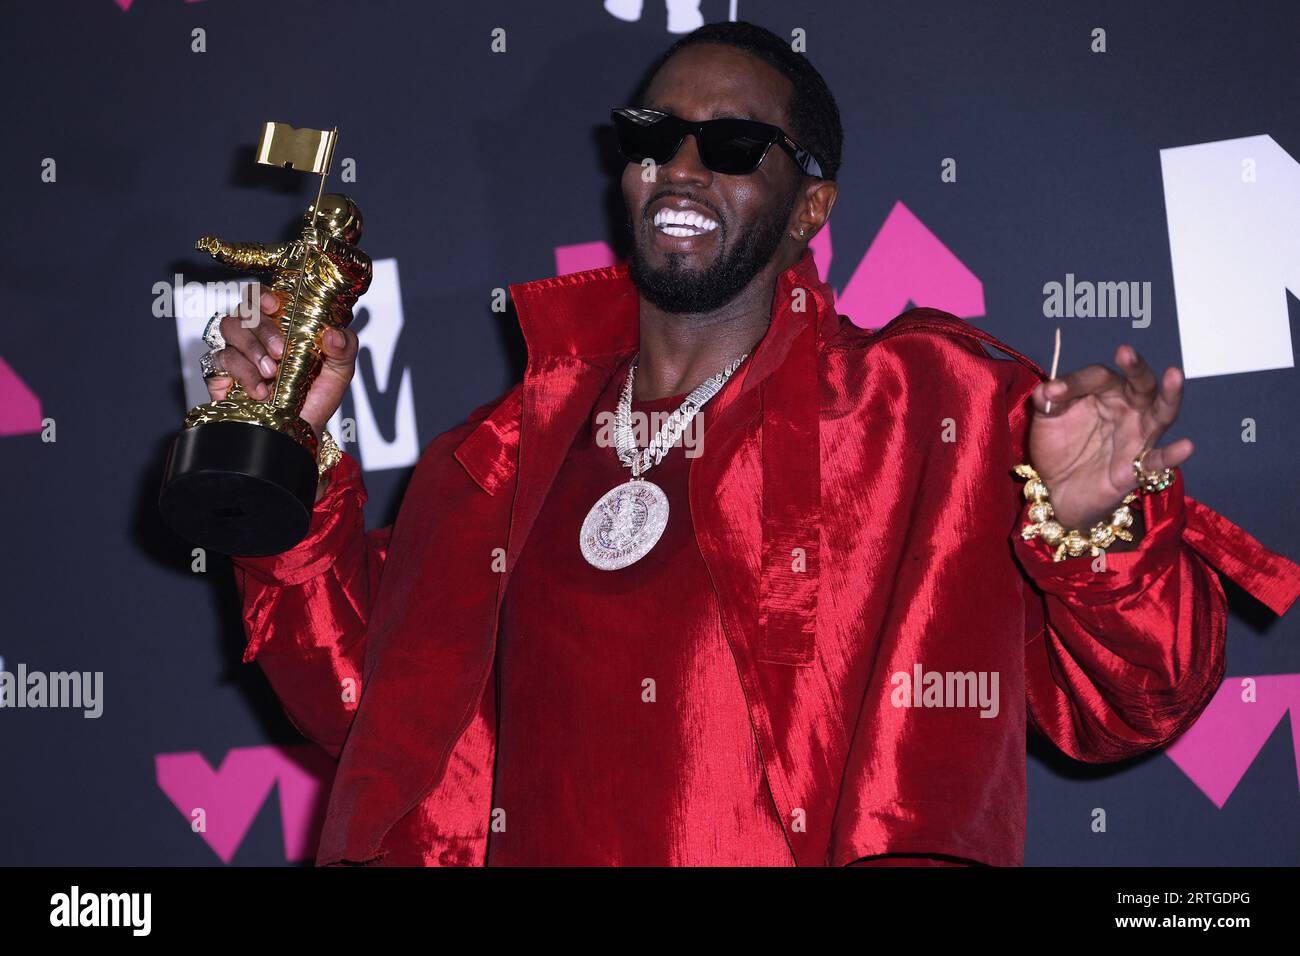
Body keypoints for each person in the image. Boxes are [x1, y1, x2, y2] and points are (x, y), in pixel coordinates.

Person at [201, 21, 1300, 866]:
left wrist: (1090, 528)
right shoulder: (490, 460)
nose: (678, 168)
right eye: (651, 138)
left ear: (810, 205)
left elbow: (1128, 704)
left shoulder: (934, 411)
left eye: (729, 145)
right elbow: (361, 710)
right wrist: (294, 474)